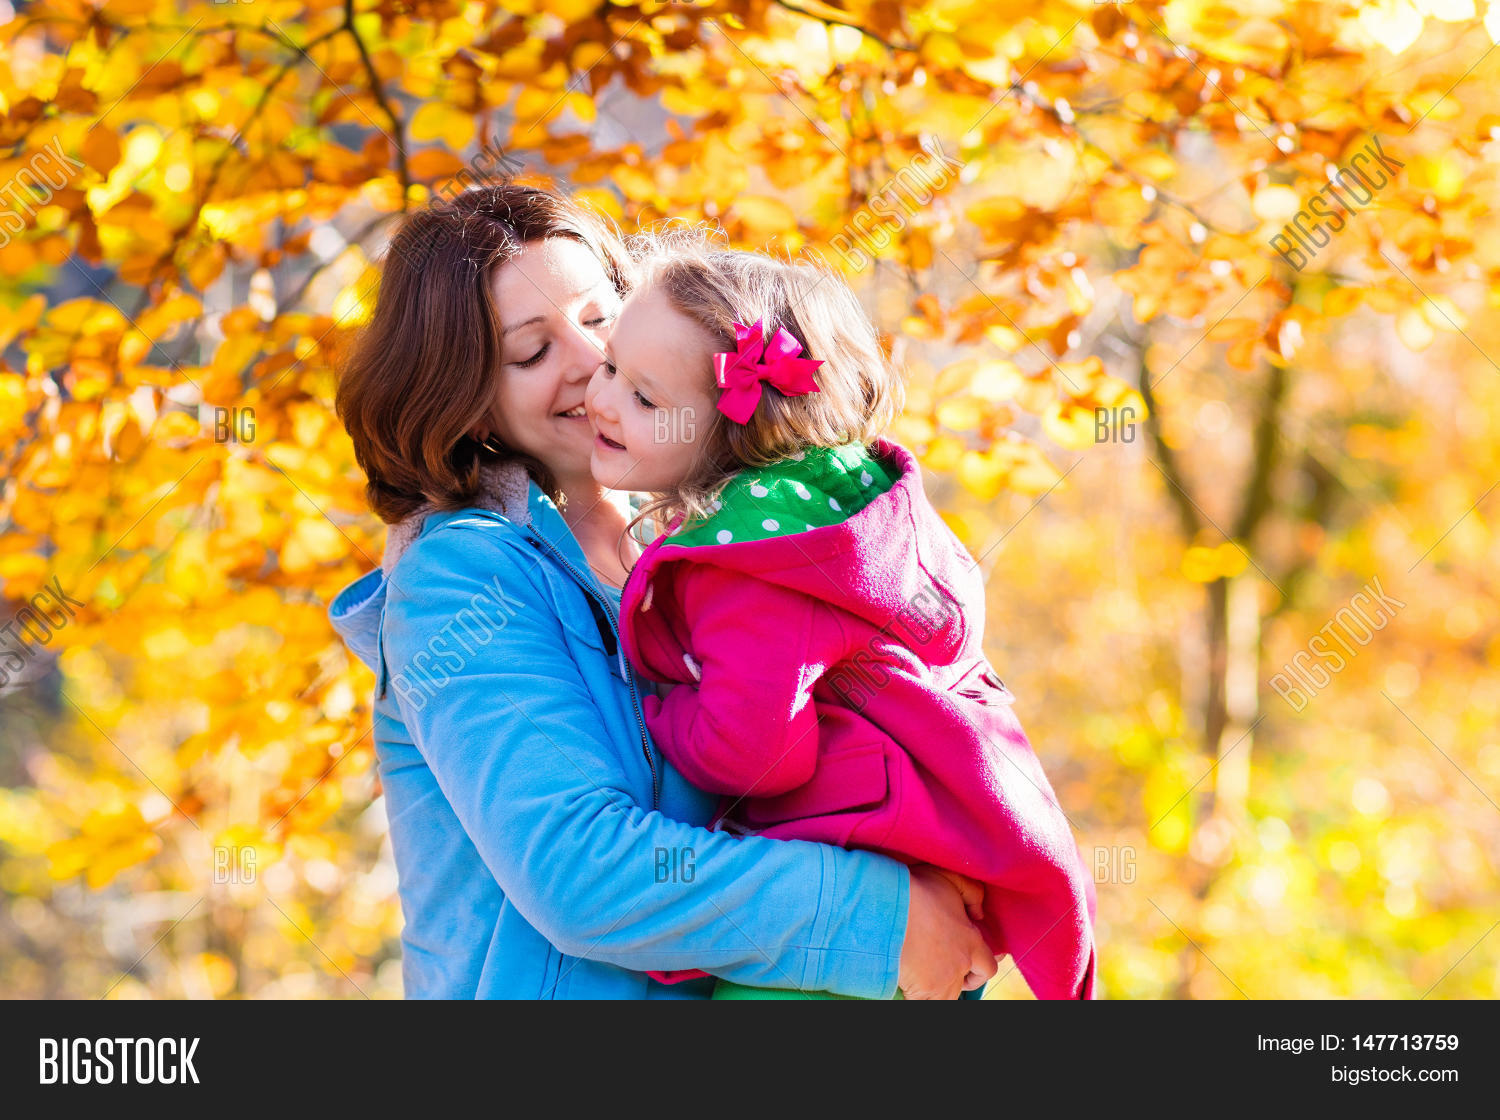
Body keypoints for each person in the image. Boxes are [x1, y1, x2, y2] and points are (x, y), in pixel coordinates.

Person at [327, 183, 997, 998]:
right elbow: (579, 871)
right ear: (468, 403)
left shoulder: (714, 542)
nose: (585, 365)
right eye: (532, 352)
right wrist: (881, 921)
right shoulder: (462, 577)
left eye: (600, 318)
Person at [585, 239, 1098, 999]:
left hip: (852, 914)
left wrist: (658, 711)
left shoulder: (747, 571)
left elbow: (753, 753)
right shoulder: (849, 517)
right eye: (609, 367)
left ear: (737, 431)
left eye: (645, 399)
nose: (601, 400)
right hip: (922, 860)